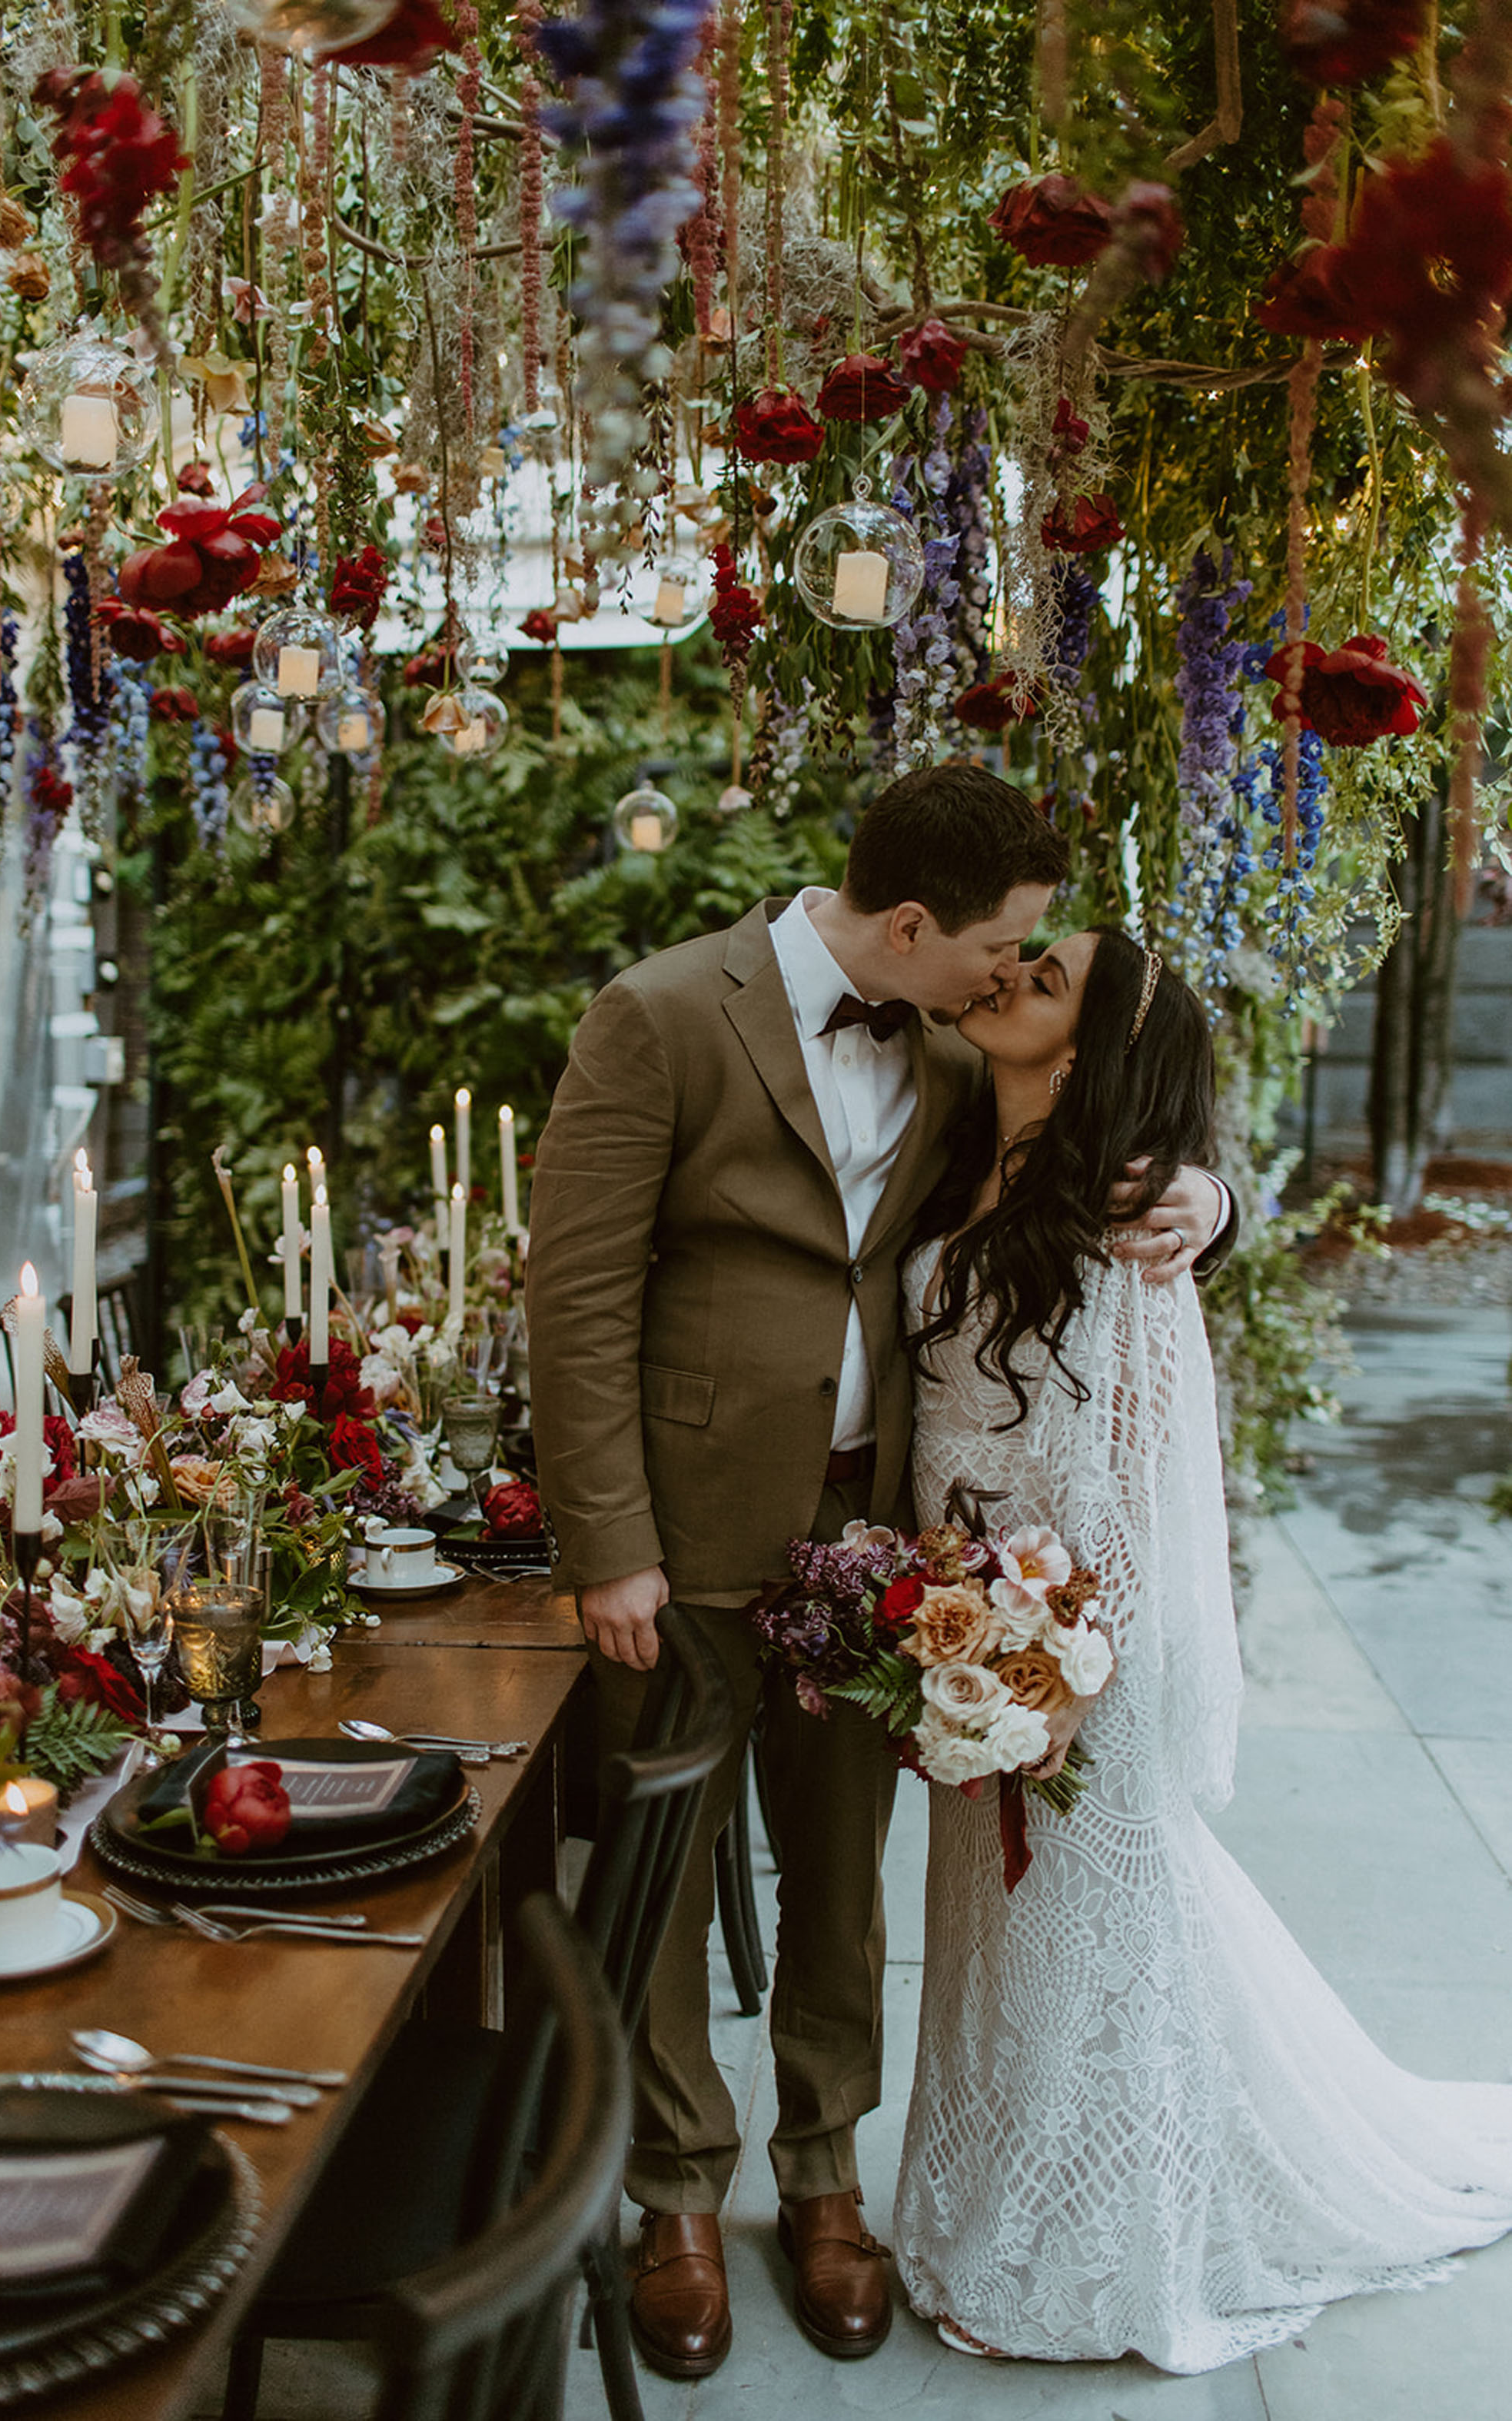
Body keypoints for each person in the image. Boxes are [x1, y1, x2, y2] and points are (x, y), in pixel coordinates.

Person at [524, 765, 1232, 2382]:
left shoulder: (949, 1042)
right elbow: (575, 1295)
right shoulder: (658, 1015)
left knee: (838, 1884)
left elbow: (1094, 1147)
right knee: (663, 1874)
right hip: (688, 1539)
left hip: (883, 1552)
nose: (1011, 976)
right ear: (911, 925)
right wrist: (608, 1545)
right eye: (1003, 947)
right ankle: (676, 2197)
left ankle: (827, 2179)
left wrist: (1211, 1195)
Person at [895, 926, 1512, 2370]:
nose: (1005, 980)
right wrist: (954, 1633)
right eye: (1016, 961)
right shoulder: (949, 1120)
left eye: (1044, 980)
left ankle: (1098, 2247)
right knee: (992, 1938)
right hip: (959, 1632)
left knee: (1096, 1935)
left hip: (1073, 1654)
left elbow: (1142, 1483)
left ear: (1096, 1043)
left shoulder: (1125, 1233)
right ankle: (990, 2207)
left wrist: (1065, 1663)